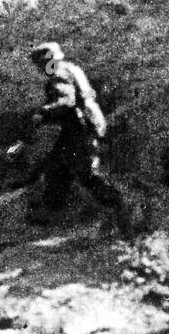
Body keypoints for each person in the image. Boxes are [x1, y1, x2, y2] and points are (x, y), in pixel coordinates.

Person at [26, 42, 136, 230]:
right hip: (80, 127)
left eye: (39, 65)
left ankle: (124, 209)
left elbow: (67, 102)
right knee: (56, 169)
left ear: (46, 62)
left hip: (81, 129)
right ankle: (46, 215)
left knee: (87, 176)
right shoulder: (70, 69)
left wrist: (42, 113)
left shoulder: (58, 73)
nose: (39, 70)